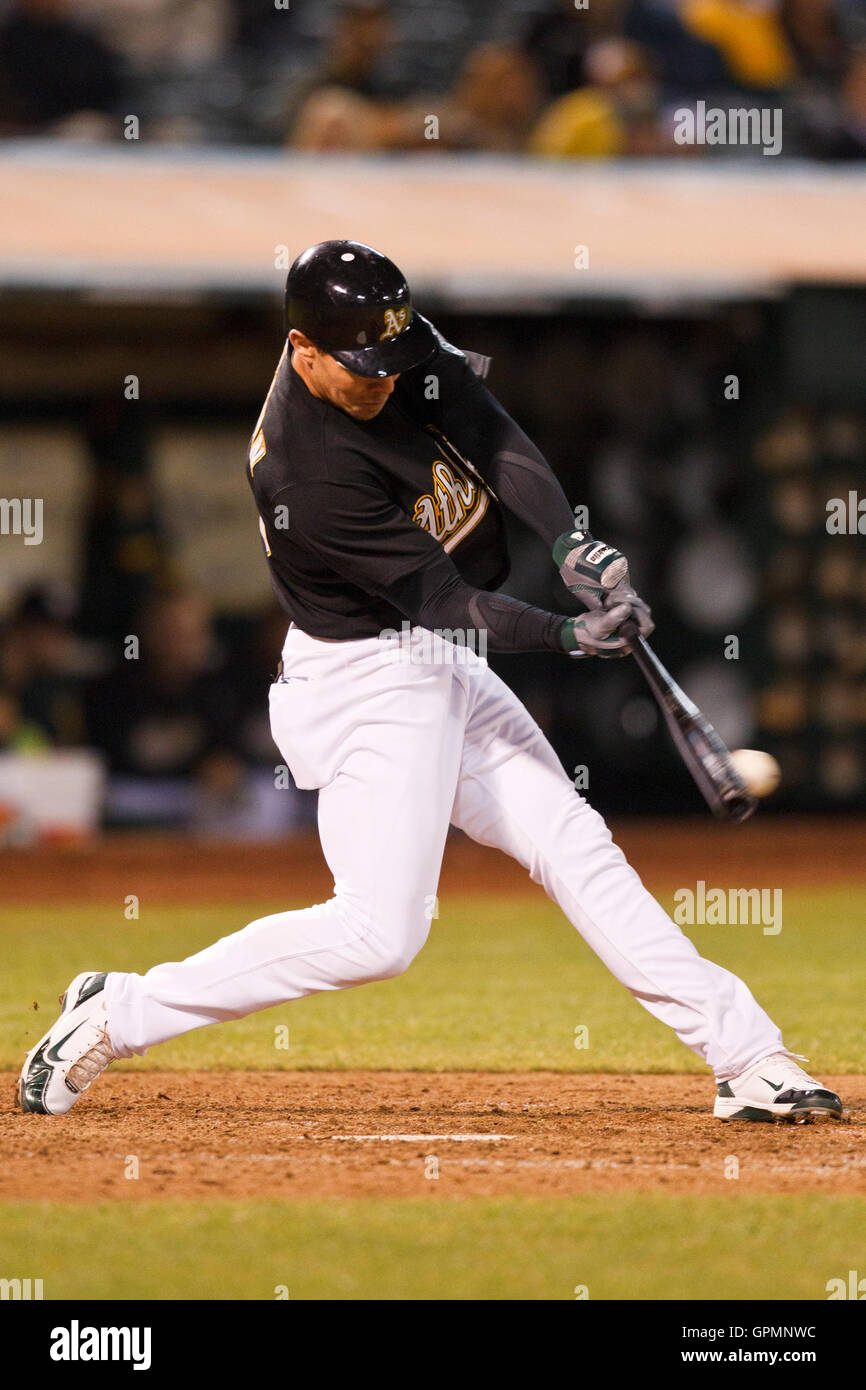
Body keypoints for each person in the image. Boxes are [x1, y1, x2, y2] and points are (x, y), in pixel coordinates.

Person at [19, 240, 844, 1127]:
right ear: (303, 351)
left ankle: (748, 1056)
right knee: (379, 935)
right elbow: (447, 600)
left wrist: (566, 542)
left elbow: (491, 431)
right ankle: (114, 1015)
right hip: (370, 676)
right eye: (362, 365)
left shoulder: (385, 340)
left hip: (435, 660)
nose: (385, 377)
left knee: (575, 846)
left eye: (391, 355)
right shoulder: (306, 469)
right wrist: (569, 632)